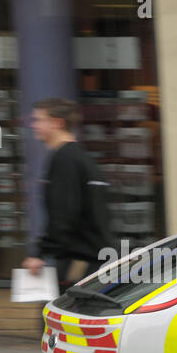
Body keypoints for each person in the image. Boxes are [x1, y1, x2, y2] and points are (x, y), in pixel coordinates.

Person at [21, 98, 113, 294]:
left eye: (38, 119)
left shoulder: (64, 159)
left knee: (58, 318)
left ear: (57, 123)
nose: (33, 125)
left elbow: (64, 212)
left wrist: (40, 253)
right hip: (93, 259)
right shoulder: (80, 157)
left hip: (79, 261)